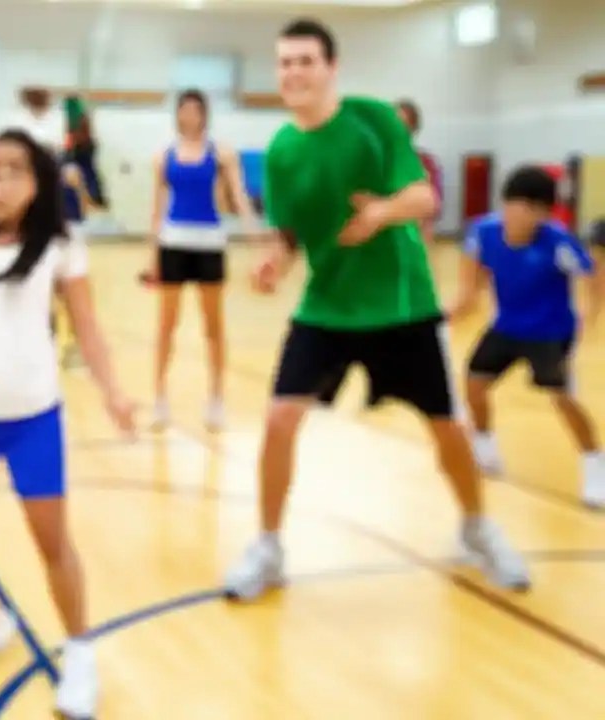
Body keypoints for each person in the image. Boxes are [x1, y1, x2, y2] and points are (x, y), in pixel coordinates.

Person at [225, 18, 530, 600]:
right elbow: (290, 233)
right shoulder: (282, 151)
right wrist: (275, 261)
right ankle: (267, 547)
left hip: (402, 305)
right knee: (279, 419)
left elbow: (424, 197)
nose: (294, 72)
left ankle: (477, 528)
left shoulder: (373, 119)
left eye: (306, 61)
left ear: (331, 67)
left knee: (447, 428)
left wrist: (380, 214)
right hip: (327, 307)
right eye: (285, 62)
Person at [0, 129, 134, 718]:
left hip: (33, 417)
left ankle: (81, 654)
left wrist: (113, 391)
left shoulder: (60, 246)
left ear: (38, 180)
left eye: (14, 169)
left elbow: (86, 326)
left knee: (53, 545)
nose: (1, 180)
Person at [449, 166, 604, 506]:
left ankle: (595, 465)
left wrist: (590, 315)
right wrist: (449, 314)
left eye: (530, 210)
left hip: (551, 333)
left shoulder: (558, 242)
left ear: (543, 214)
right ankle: (486, 450)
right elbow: (471, 288)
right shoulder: (482, 233)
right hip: (506, 327)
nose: (517, 216)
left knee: (562, 398)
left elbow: (593, 274)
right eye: (512, 206)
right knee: (474, 385)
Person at [146, 89, 257, 430]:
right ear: (178, 115)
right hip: (173, 243)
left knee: (214, 327)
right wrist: (152, 255)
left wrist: (255, 234)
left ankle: (216, 401)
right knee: (166, 325)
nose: (190, 116)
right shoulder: (163, 157)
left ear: (204, 115)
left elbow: (239, 195)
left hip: (209, 243)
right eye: (185, 110)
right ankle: (159, 401)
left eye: (196, 110)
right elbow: (156, 208)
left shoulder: (221, 153)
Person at [396, 99, 442, 245]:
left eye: (405, 125)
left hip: (415, 236)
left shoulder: (425, 162)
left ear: (413, 128)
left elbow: (434, 205)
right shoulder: (375, 162)